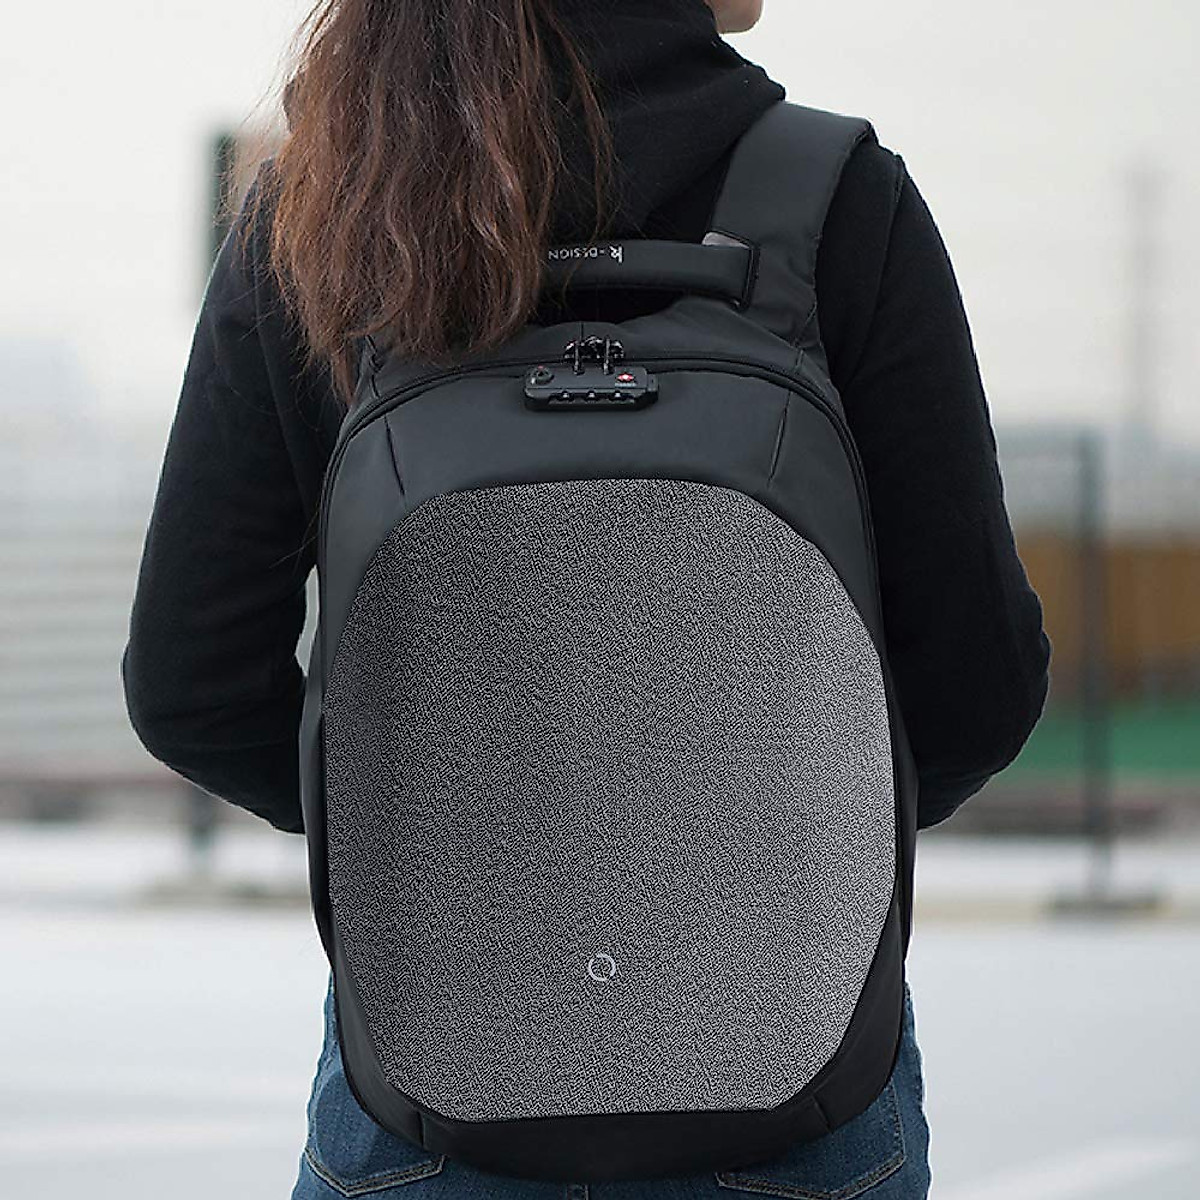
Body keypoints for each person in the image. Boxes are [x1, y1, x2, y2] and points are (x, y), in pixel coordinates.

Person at [121, 0, 1052, 1196]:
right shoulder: (842, 199)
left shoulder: (331, 204)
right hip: (788, 1073)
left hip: (435, 1093)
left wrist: (428, 839)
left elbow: (190, 684)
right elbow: (975, 684)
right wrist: (769, 844)